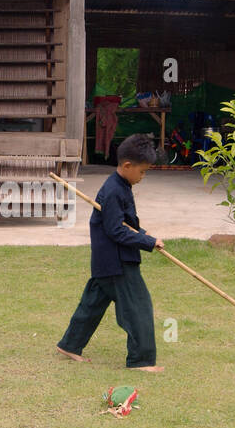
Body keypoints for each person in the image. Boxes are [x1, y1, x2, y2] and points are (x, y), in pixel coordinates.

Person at [57, 133, 165, 372]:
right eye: (142, 171)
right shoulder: (114, 191)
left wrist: (146, 236)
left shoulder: (120, 185)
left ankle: (70, 345)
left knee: (93, 304)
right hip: (117, 263)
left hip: (106, 261)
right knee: (138, 306)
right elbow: (116, 231)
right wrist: (146, 242)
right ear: (127, 165)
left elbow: (125, 224)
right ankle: (141, 360)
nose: (143, 177)